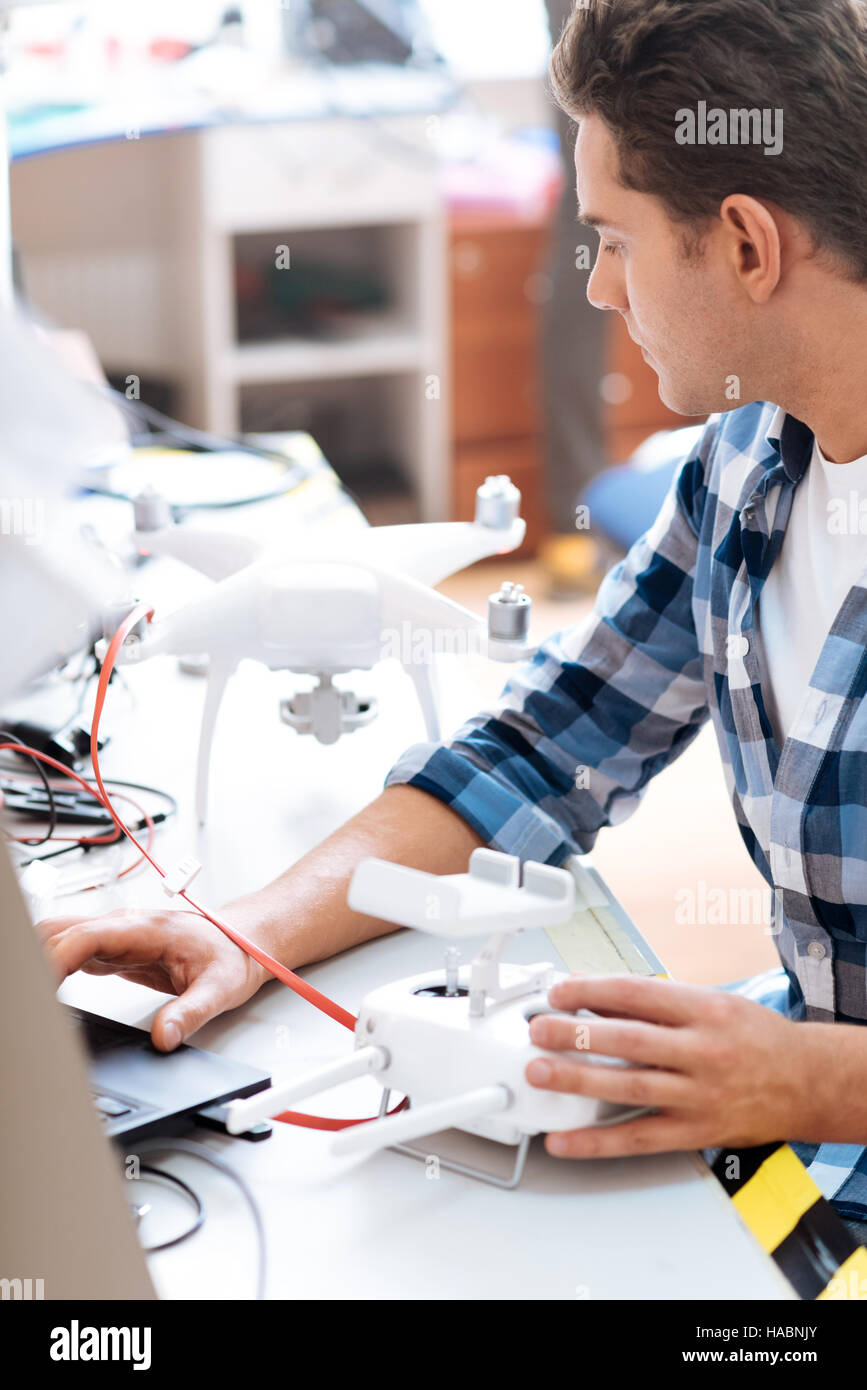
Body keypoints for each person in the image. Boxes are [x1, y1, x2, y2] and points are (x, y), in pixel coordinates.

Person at [37, 0, 867, 1239]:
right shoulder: (750, 462)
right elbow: (544, 746)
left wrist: (810, 1080)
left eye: (615, 241)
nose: (595, 285)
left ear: (747, 245)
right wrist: (242, 931)